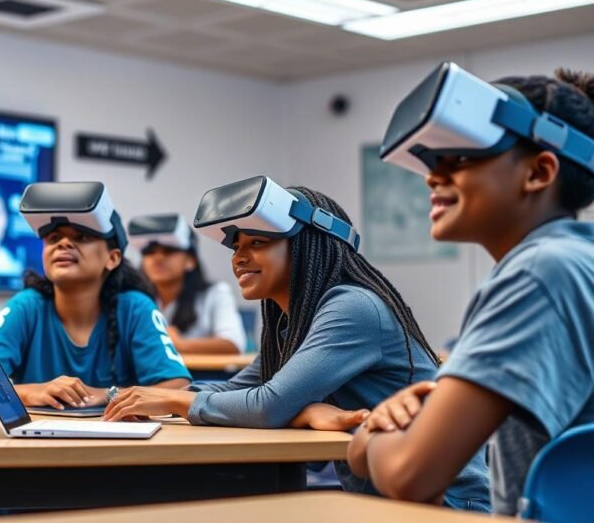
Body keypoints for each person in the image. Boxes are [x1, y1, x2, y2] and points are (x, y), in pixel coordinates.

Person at [104, 176, 489, 510]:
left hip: (451, 505)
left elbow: (268, 405)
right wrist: (154, 397)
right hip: (386, 496)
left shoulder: (352, 306)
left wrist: (175, 400)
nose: (239, 258)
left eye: (257, 242)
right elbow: (240, 390)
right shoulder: (291, 321)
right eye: (236, 246)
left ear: (307, 247)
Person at [348, 65, 594, 515]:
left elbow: (409, 473)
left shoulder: (539, 274)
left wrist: (369, 436)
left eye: (459, 158)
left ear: (539, 172)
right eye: (431, 161)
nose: (432, 176)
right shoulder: (575, 261)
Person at [0, 182, 191, 412]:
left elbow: (178, 388)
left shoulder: (135, 308)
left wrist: (107, 395)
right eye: (54, 238)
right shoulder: (25, 306)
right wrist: (32, 392)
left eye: (82, 237)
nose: (64, 243)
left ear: (112, 258)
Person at [129, 213, 245, 353]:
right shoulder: (132, 298)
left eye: (169, 250)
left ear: (190, 261)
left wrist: (179, 344)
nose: (157, 258)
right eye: (149, 252)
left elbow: (233, 345)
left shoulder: (216, 293)